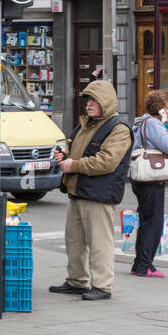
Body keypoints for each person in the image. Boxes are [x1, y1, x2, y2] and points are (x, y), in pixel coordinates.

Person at [50, 79, 133, 300]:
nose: (89, 104)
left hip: (99, 194)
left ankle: (103, 286)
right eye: (87, 100)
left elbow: (106, 161)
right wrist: (65, 155)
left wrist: (72, 164)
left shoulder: (118, 128)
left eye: (94, 100)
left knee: (99, 243)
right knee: (74, 240)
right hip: (78, 190)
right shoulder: (86, 124)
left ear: (106, 102)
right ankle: (77, 281)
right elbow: (75, 149)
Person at [130, 88, 168, 279]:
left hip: (141, 176)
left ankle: (140, 263)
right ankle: (144, 265)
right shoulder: (154, 125)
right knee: (153, 222)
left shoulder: (141, 121)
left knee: (146, 219)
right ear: (162, 109)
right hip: (152, 177)